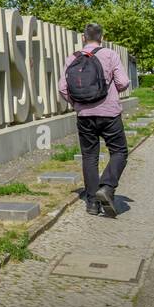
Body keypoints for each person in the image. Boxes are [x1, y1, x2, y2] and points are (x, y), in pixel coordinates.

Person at [59, 23, 130, 217]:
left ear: (83, 37)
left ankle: (91, 203)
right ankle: (107, 187)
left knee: (89, 157)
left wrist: (78, 104)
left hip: (84, 117)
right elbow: (123, 82)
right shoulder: (110, 55)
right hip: (109, 114)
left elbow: (62, 88)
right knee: (119, 151)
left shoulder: (73, 58)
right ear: (102, 36)